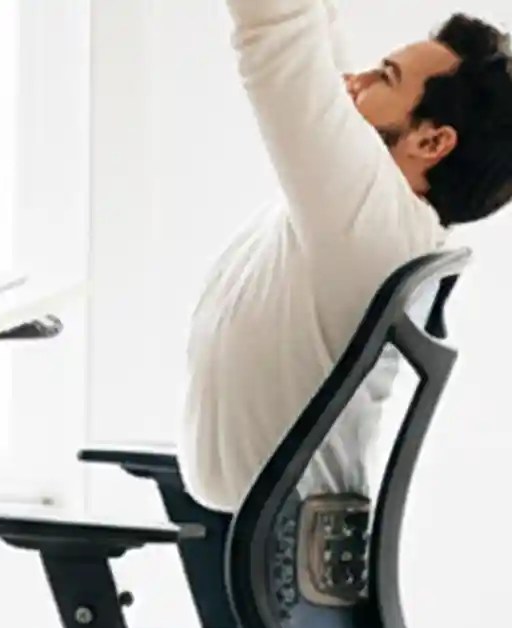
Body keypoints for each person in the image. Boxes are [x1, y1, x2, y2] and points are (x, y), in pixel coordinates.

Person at [180, 0, 512, 513]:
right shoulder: (376, 221)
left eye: (386, 76)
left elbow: (279, 30)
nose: (354, 79)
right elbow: (311, 27)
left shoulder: (368, 222)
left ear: (430, 141)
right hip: (262, 538)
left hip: (259, 541)